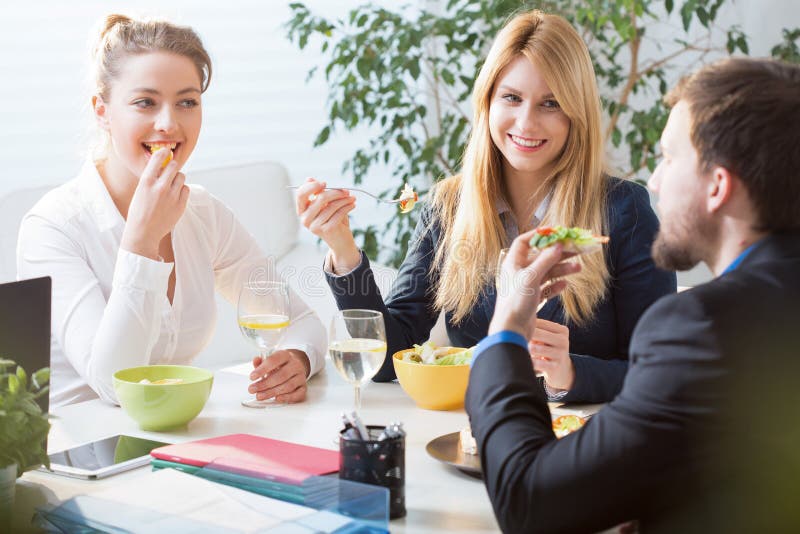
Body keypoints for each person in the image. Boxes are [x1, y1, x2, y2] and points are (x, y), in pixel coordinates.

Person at [465, 56, 800, 533]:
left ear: (717, 186)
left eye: (669, 158)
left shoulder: (700, 328)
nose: (656, 182)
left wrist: (507, 330)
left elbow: (528, 501)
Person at [296, 10, 675, 402]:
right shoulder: (448, 207)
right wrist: (342, 247)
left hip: (585, 434)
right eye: (512, 97)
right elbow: (390, 357)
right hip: (477, 430)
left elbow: (660, 371)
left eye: (550, 103)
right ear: (488, 102)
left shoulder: (624, 212)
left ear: (575, 114)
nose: (526, 123)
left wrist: (569, 373)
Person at [17, 14, 326, 407]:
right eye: (145, 102)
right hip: (82, 440)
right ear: (102, 111)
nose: (169, 123)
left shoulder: (203, 213)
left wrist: (296, 360)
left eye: (187, 102)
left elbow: (302, 323)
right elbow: (115, 385)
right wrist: (142, 241)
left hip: (179, 433)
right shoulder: (53, 227)